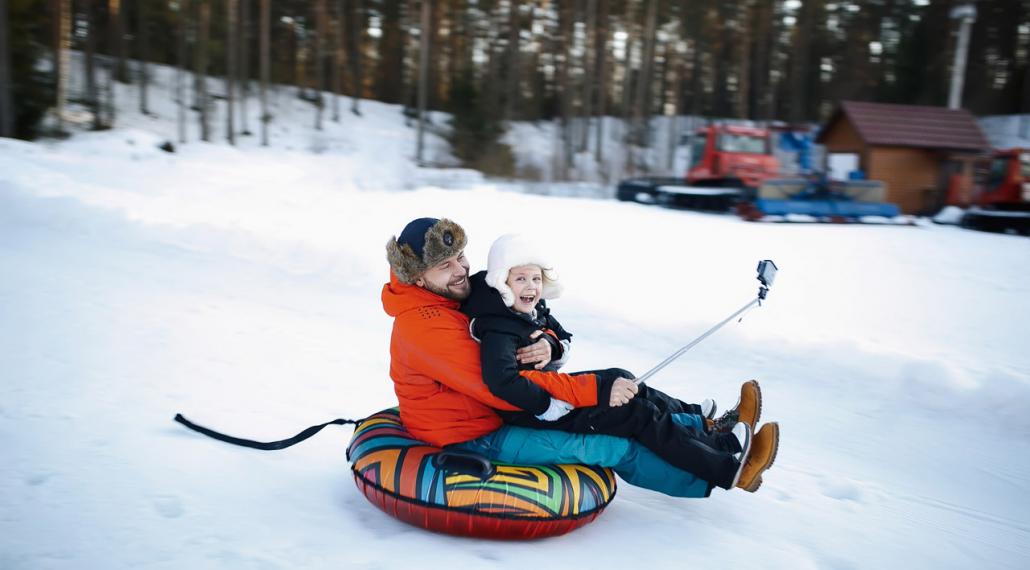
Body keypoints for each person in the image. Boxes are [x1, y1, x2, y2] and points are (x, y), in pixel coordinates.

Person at [382, 217, 777, 497]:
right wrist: (598, 391)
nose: (461, 270)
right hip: (476, 433)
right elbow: (501, 387)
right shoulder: (426, 329)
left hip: (504, 405)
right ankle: (723, 473)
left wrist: (552, 345)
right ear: (417, 278)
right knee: (614, 439)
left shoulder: (469, 293)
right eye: (445, 265)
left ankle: (710, 429)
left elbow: (532, 318)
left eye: (461, 257)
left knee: (625, 381)